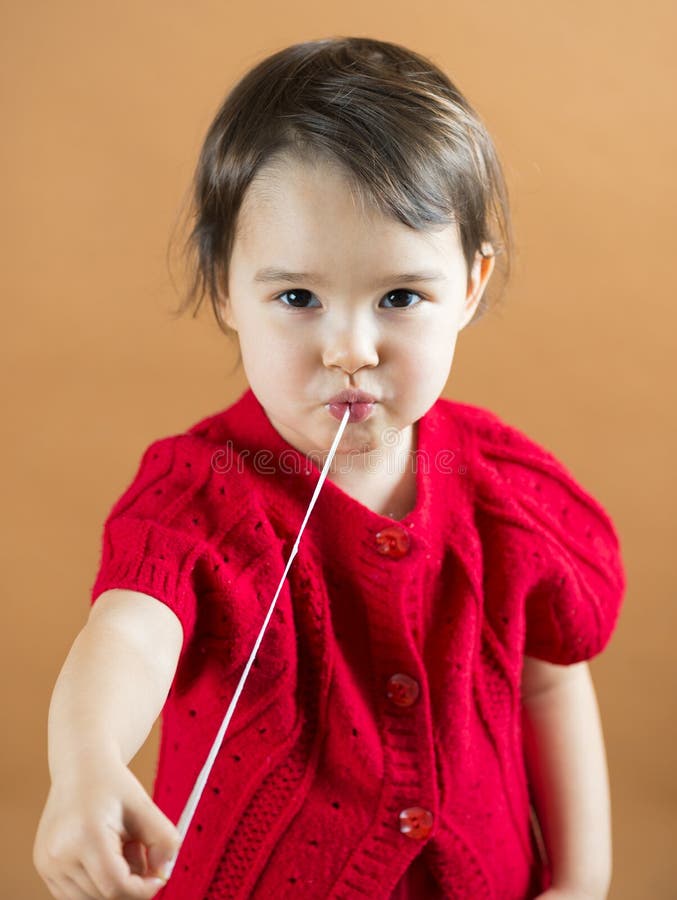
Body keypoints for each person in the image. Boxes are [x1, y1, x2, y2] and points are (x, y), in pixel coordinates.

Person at [33, 36, 626, 900]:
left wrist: (579, 879)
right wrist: (87, 762)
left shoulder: (506, 491)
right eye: (298, 298)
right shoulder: (198, 491)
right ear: (226, 288)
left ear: (469, 285)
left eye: (399, 296)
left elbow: (547, 686)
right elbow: (129, 634)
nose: (350, 348)